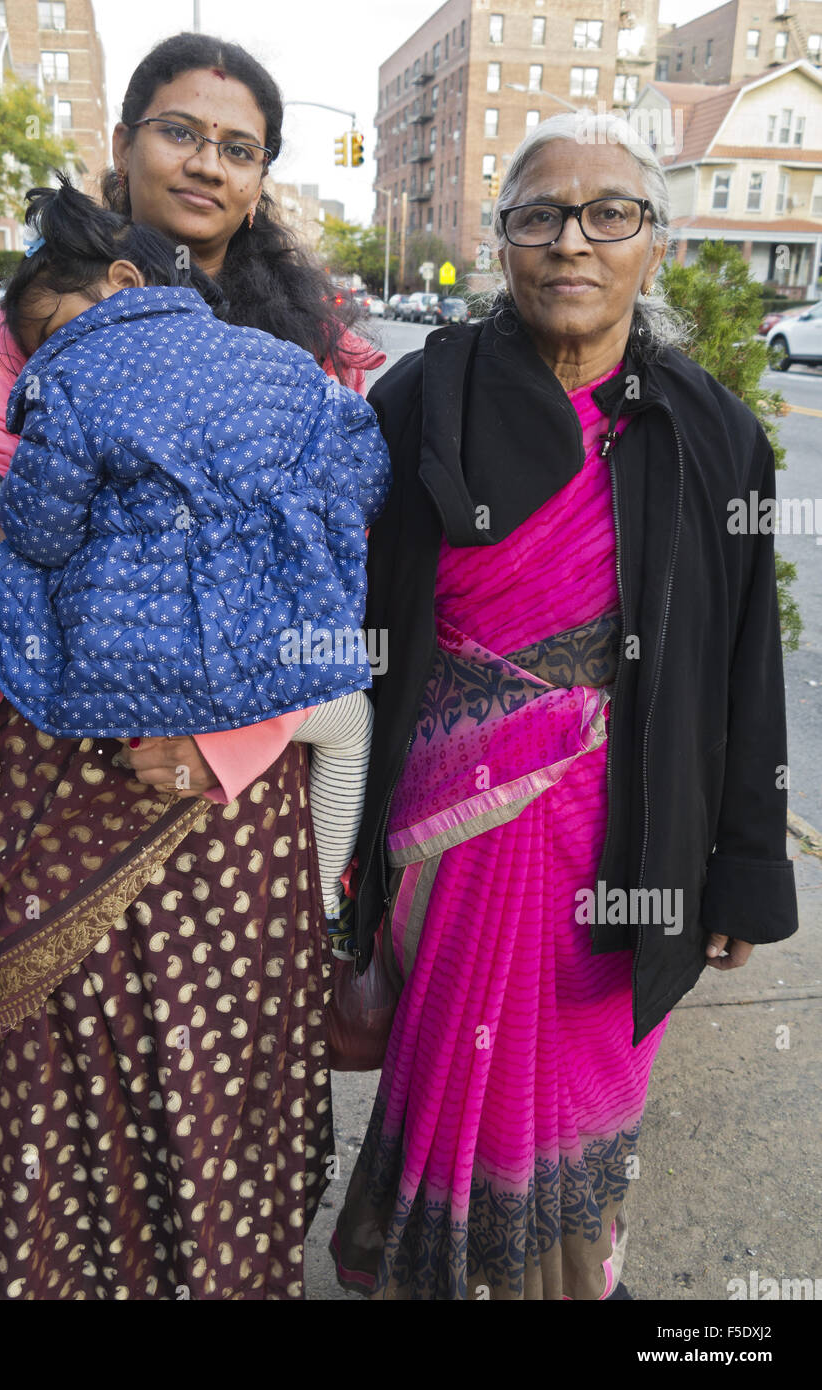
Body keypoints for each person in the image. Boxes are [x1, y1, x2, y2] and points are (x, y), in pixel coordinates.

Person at [0, 33, 385, 1301]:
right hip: (61, 749)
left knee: (217, 1058)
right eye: (180, 130)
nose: (206, 162)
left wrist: (227, 735)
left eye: (239, 147)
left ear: (263, 177)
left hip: (237, 773)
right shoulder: (48, 300)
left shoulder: (309, 339)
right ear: (125, 144)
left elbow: (328, 556)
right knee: (66, 1054)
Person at [333, 111, 798, 1301]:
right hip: (453, 830)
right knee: (456, 1070)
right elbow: (352, 632)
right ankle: (444, 1275)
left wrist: (744, 863)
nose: (572, 243)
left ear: (655, 244)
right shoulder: (418, 403)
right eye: (539, 215)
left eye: (611, 214)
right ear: (501, 243)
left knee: (590, 1085)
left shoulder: (714, 434)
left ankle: (571, 1276)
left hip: (631, 836)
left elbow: (741, 667)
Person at [0, 177, 387, 944]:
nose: (49, 351)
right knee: (350, 723)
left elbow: (42, 533)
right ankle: (323, 901)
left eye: (51, 330)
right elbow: (361, 468)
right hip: (266, 658)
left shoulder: (73, 375)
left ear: (123, 281)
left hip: (120, 657)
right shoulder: (282, 360)